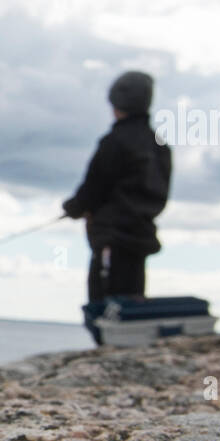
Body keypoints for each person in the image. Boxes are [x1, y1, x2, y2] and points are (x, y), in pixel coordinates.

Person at [62, 71, 171, 341]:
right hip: (140, 235)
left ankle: (108, 349)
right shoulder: (159, 145)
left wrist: (74, 207)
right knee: (131, 300)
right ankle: (130, 346)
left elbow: (93, 187)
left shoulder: (115, 142)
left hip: (113, 235)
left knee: (105, 305)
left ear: (115, 102)